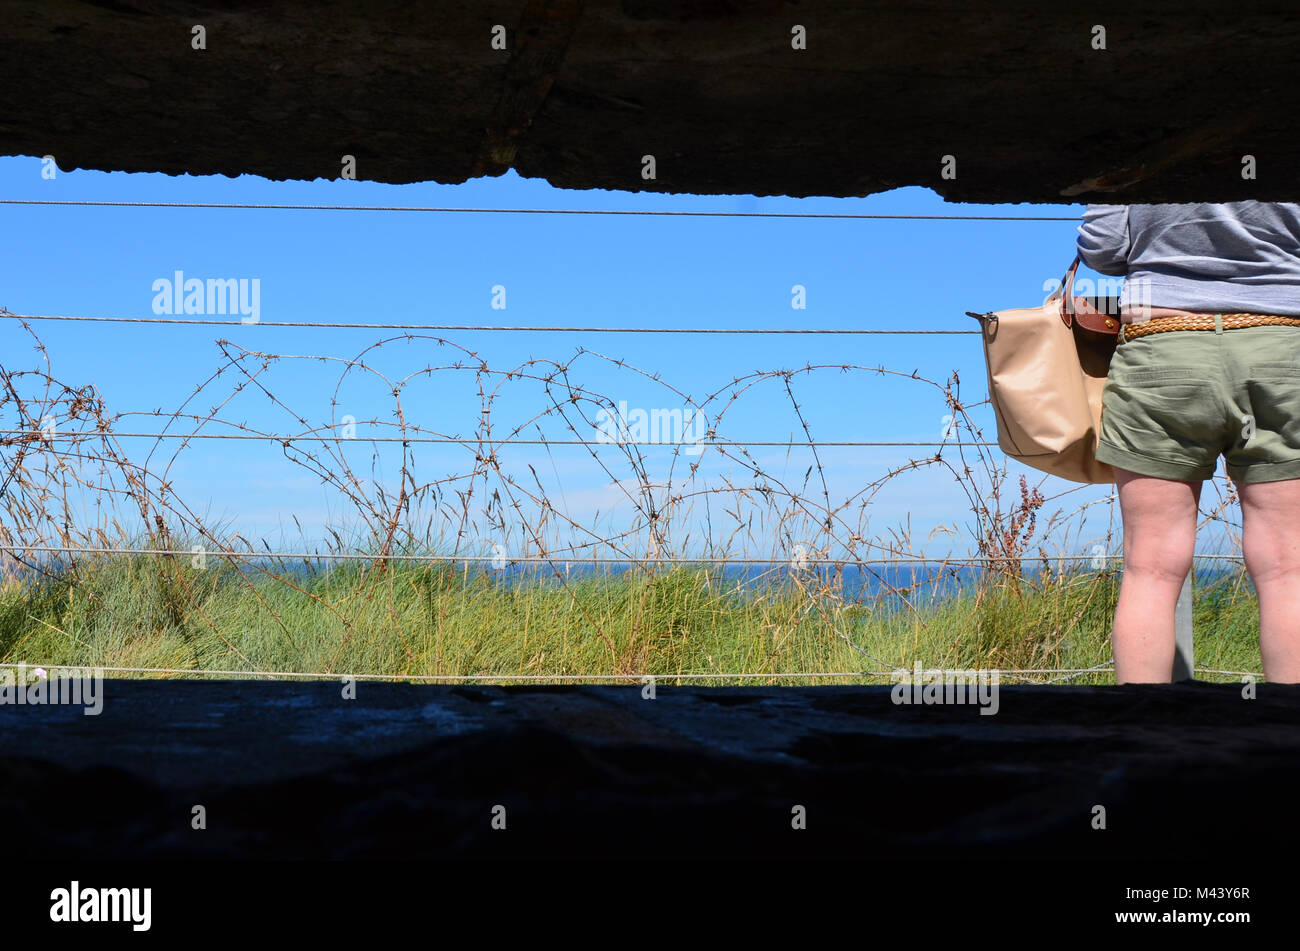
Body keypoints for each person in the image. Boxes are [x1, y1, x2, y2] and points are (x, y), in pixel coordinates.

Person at [1078, 202, 1300, 684]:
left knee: (1150, 570)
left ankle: (1144, 738)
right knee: (1289, 568)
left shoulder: (1134, 130)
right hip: (1282, 348)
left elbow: (1102, 249)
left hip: (1164, 343)